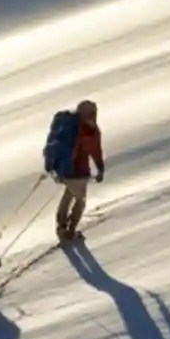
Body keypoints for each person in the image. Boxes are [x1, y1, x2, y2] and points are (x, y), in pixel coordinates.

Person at [56, 99, 105, 241]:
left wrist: (59, 167)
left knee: (68, 195)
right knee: (80, 201)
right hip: (78, 172)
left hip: (65, 171)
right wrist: (100, 169)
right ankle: (69, 231)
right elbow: (95, 151)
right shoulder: (90, 131)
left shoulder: (69, 127)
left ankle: (61, 227)